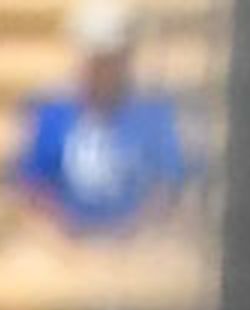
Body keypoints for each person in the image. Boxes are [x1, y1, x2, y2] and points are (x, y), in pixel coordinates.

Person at [13, 3, 194, 239]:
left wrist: (134, 232)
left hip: (138, 242)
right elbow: (31, 186)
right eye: (95, 58)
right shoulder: (51, 112)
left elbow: (169, 186)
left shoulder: (154, 113)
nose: (103, 68)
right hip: (64, 243)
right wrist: (64, 233)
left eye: (111, 58)